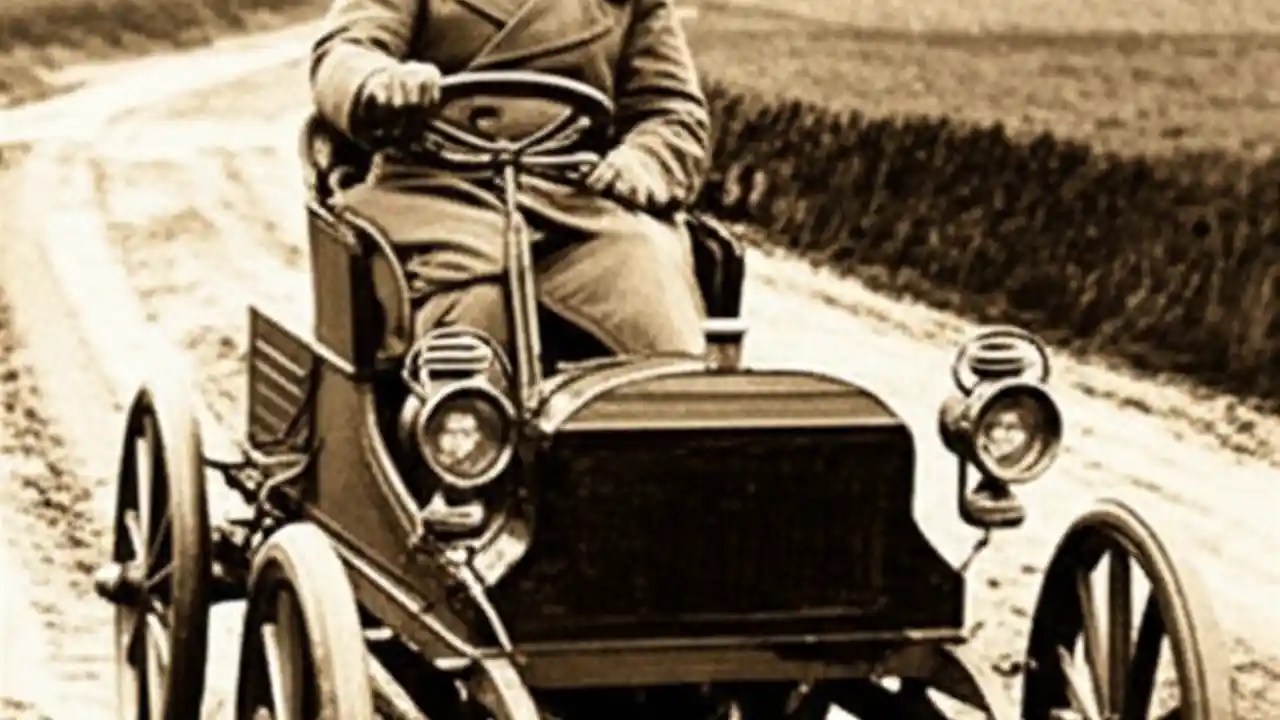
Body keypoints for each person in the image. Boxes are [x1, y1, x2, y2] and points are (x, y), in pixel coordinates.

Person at [310, 0, 711, 362]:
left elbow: (671, 110)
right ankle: (454, 429)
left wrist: (644, 159)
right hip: (437, 191)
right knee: (472, 314)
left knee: (652, 291)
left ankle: (664, 428)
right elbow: (345, 51)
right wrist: (379, 80)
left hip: (577, 197)